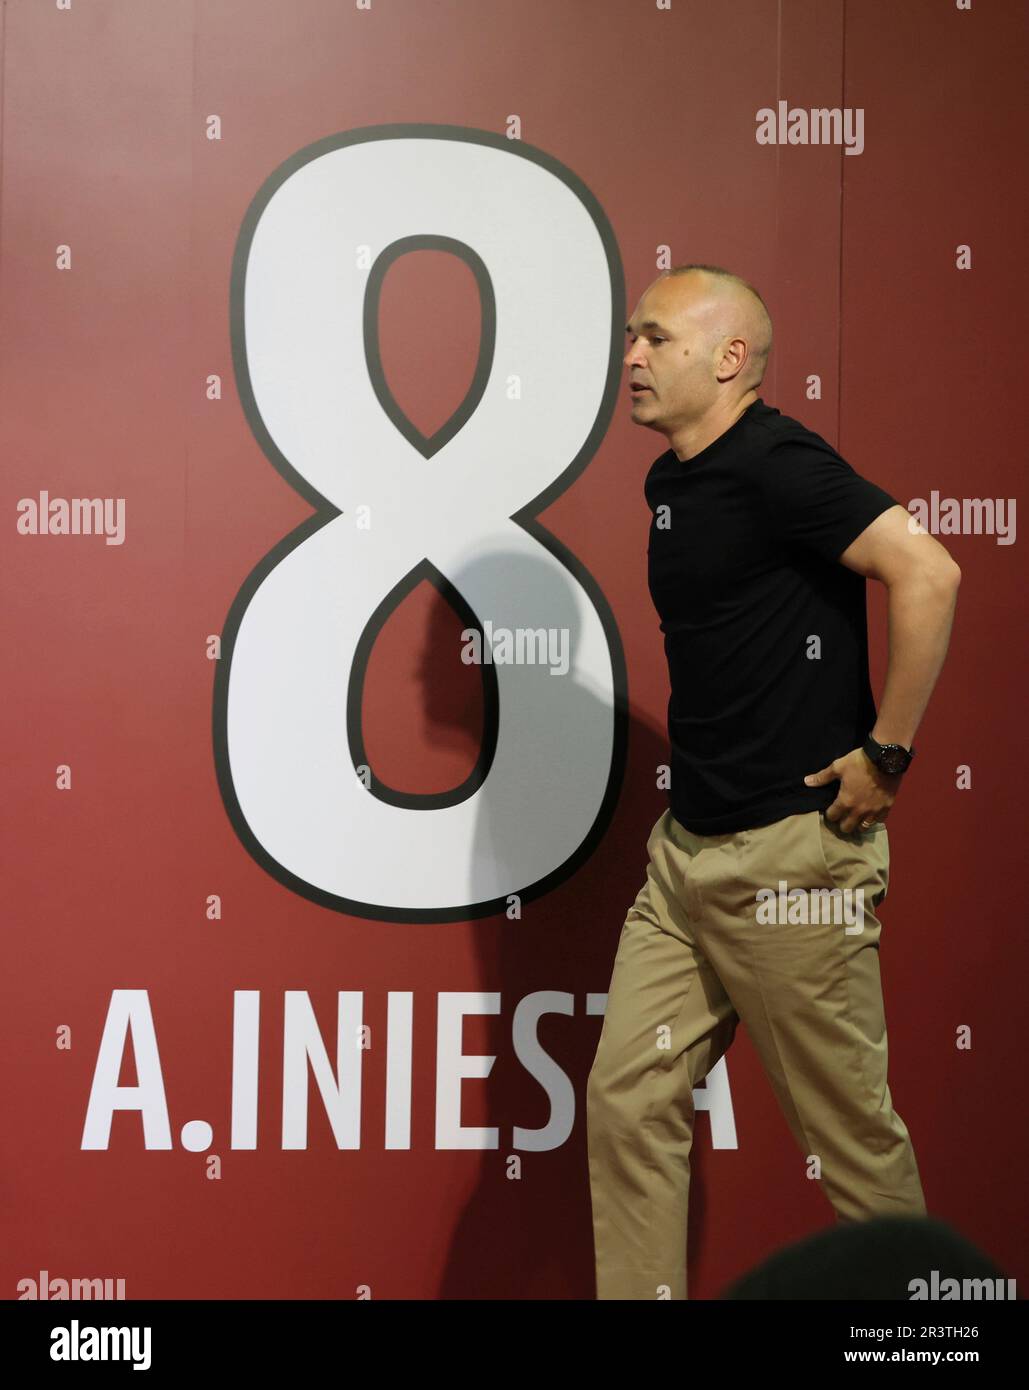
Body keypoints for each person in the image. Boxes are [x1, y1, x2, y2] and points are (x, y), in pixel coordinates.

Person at [586, 264, 961, 1300]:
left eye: (655, 339)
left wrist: (887, 753)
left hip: (793, 861)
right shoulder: (672, 479)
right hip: (685, 861)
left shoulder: (779, 461)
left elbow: (931, 572)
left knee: (854, 1148)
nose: (632, 358)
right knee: (627, 1102)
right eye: (631, 338)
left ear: (730, 358)